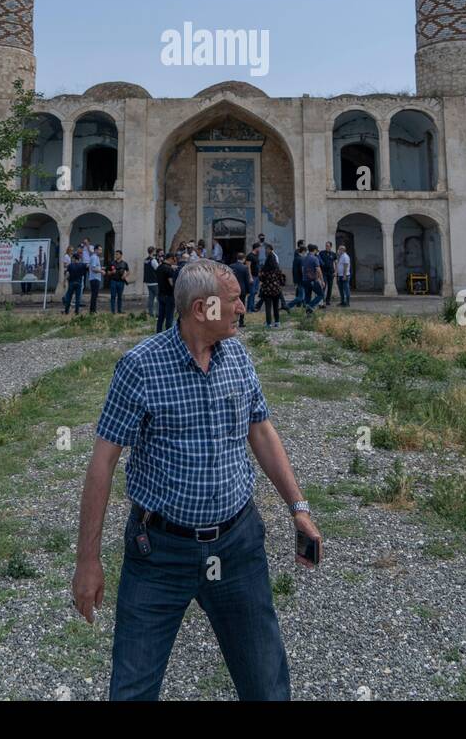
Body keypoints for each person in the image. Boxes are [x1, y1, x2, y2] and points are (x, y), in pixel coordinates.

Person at [73, 259, 322, 702]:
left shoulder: (238, 357)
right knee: (132, 689)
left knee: (266, 684)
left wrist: (298, 508)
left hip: (236, 545)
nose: (243, 307)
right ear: (200, 308)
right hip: (160, 554)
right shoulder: (140, 367)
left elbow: (260, 430)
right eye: (233, 301)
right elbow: (102, 463)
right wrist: (87, 560)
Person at [258, 245, 283, 329]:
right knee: (276, 306)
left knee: (268, 307)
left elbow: (261, 278)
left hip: (267, 289)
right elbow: (281, 279)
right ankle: (277, 322)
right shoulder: (277, 269)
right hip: (276, 289)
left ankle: (268, 323)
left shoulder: (265, 269)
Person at [229, 252, 252, 328]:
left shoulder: (231, 266)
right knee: (242, 305)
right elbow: (247, 280)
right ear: (244, 259)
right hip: (242, 289)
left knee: (232, 305)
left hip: (232, 289)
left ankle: (232, 321)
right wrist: (248, 291)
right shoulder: (245, 268)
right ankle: (241, 322)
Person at [156, 253, 177, 332]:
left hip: (161, 294)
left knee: (161, 317)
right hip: (169, 296)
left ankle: (158, 333)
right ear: (171, 258)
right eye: (174, 260)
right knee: (169, 317)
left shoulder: (159, 267)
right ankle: (168, 334)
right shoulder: (169, 269)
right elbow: (171, 283)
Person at [301, 244, 325, 313]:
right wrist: (322, 281)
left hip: (305, 280)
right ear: (314, 250)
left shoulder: (304, 258)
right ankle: (310, 306)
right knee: (321, 295)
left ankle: (308, 312)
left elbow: (302, 269)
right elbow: (318, 270)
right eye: (316, 251)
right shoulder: (315, 258)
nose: (316, 252)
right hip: (313, 280)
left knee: (307, 296)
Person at [63, 251, 87, 315]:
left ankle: (66, 311)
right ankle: (76, 312)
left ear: (73, 258)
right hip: (79, 283)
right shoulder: (82, 265)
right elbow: (88, 266)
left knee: (69, 297)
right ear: (79, 258)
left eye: (72, 258)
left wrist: (64, 282)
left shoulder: (70, 265)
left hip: (71, 283)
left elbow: (67, 274)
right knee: (77, 298)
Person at [286, 242, 307, 311]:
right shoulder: (301, 259)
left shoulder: (296, 258)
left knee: (302, 295)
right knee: (301, 297)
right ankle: (288, 306)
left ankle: (305, 305)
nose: (305, 254)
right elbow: (302, 270)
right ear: (303, 251)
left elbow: (294, 270)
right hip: (302, 280)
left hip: (298, 279)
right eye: (305, 252)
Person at [143, 247, 160, 317]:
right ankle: (158, 313)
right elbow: (158, 269)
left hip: (148, 281)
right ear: (153, 252)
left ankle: (150, 313)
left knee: (151, 298)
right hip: (154, 281)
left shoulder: (145, 260)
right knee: (158, 298)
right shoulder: (153, 260)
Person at [88, 245, 103, 313]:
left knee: (95, 295)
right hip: (94, 279)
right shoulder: (94, 257)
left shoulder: (96, 257)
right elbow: (93, 268)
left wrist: (102, 268)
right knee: (94, 295)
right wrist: (101, 271)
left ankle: (93, 310)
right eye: (100, 250)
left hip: (96, 278)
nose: (101, 251)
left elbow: (96, 267)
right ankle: (92, 311)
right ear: (96, 250)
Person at [246, 243, 260, 314]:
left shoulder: (256, 255)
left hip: (257, 277)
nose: (260, 249)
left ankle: (252, 307)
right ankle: (249, 309)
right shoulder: (249, 256)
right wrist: (250, 277)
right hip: (253, 277)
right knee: (251, 293)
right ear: (256, 248)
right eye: (259, 248)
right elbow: (248, 267)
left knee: (254, 292)